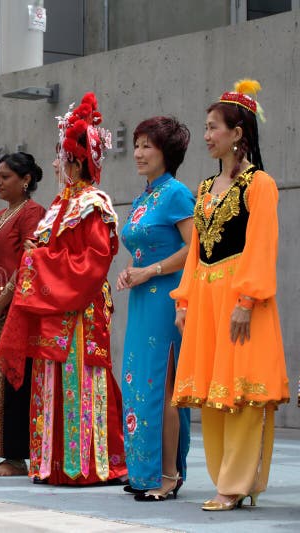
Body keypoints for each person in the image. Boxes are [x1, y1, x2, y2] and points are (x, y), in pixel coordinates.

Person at [0, 92, 128, 485]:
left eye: (62, 157)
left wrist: (38, 260)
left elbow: (92, 263)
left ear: (76, 160)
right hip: (53, 304)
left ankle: (84, 463)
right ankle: (52, 460)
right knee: (50, 380)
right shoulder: (59, 204)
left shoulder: (94, 204)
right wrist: (39, 254)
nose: (56, 163)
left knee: (79, 381)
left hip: (80, 311)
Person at [171, 80, 288, 511]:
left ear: (237, 133)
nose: (206, 135)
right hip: (205, 296)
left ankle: (236, 483)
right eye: (204, 128)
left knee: (242, 389)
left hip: (241, 297)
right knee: (214, 392)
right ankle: (225, 478)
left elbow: (261, 246)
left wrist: (246, 301)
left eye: (212, 127)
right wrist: (184, 300)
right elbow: (196, 252)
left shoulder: (261, 185)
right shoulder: (203, 189)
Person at [116, 117, 194, 501]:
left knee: (160, 387)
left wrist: (152, 270)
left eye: (148, 145)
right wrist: (132, 271)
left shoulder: (176, 193)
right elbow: (146, 246)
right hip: (143, 298)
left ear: (168, 152)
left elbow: (194, 249)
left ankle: (167, 475)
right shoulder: (146, 196)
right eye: (137, 144)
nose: (139, 153)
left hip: (168, 299)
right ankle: (143, 471)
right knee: (138, 384)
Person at [0, 152, 46, 476]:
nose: (0, 182)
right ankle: (0, 452)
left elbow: (27, 264)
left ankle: (16, 457)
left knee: (12, 380)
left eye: (6, 177)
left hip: (15, 309)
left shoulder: (33, 213)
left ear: (26, 180)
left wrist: (1, 302)